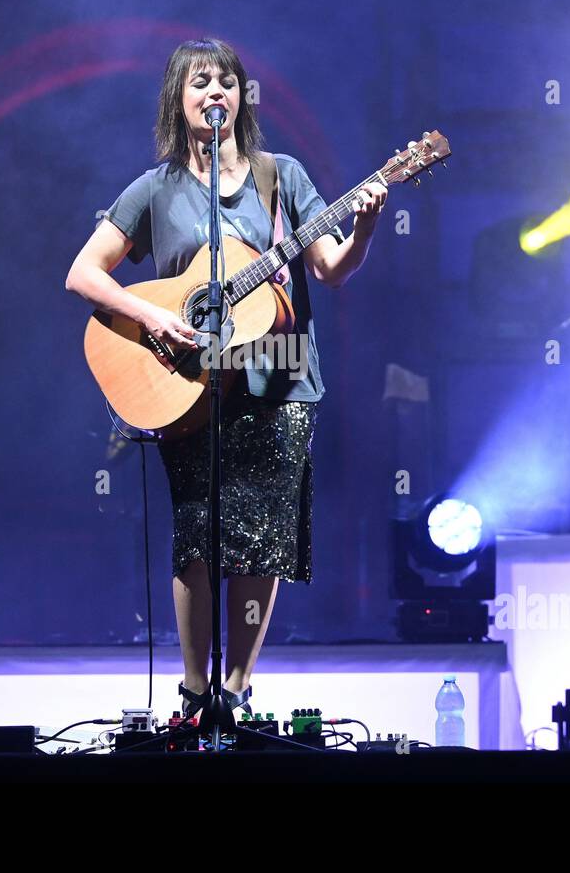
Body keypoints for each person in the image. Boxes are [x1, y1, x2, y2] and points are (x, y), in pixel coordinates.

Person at [65, 38, 386, 718]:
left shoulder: (282, 177)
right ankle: (192, 688)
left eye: (228, 82)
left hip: (279, 381)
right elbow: (84, 274)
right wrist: (151, 319)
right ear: (178, 101)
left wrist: (362, 232)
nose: (216, 93)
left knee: (262, 538)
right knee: (197, 534)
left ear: (242, 97)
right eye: (200, 83)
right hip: (190, 387)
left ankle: (236, 690)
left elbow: (329, 267)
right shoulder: (155, 189)